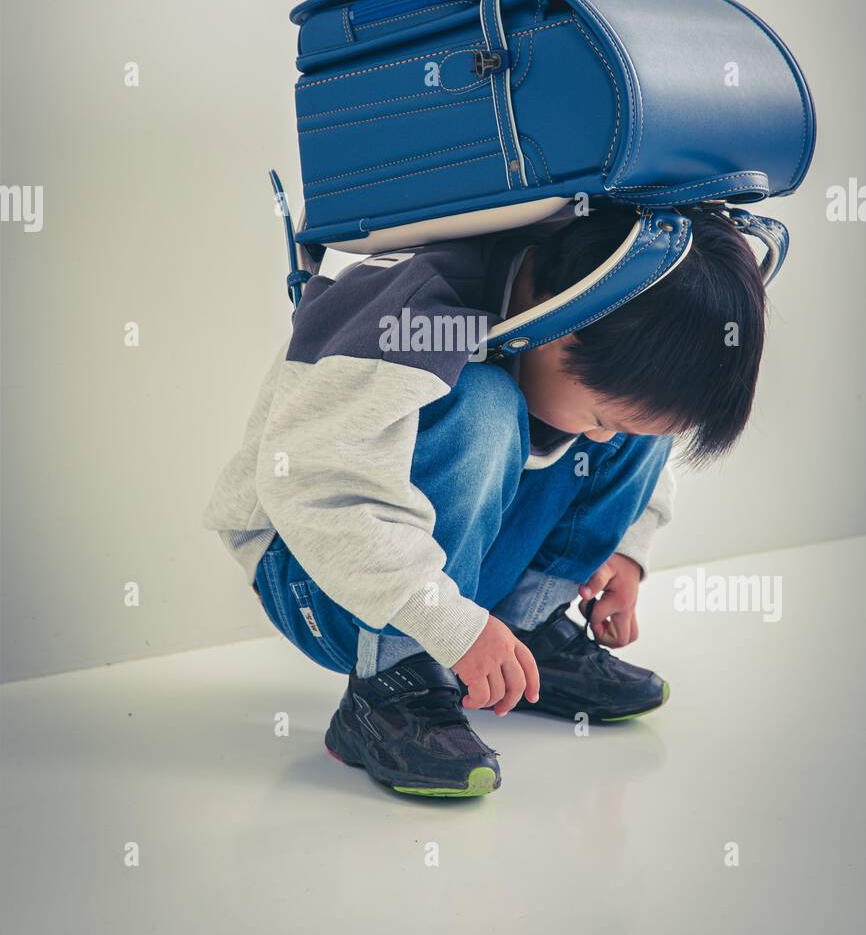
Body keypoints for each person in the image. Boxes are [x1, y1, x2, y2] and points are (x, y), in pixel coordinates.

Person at [203, 202, 765, 797]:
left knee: (634, 426)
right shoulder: (409, 310)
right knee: (486, 408)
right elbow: (321, 490)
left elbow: (623, 431)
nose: (603, 438)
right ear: (562, 330)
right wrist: (450, 627)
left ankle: (525, 635)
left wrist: (624, 546)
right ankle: (393, 684)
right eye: (598, 418)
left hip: (451, 562)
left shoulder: (575, 300)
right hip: (317, 567)